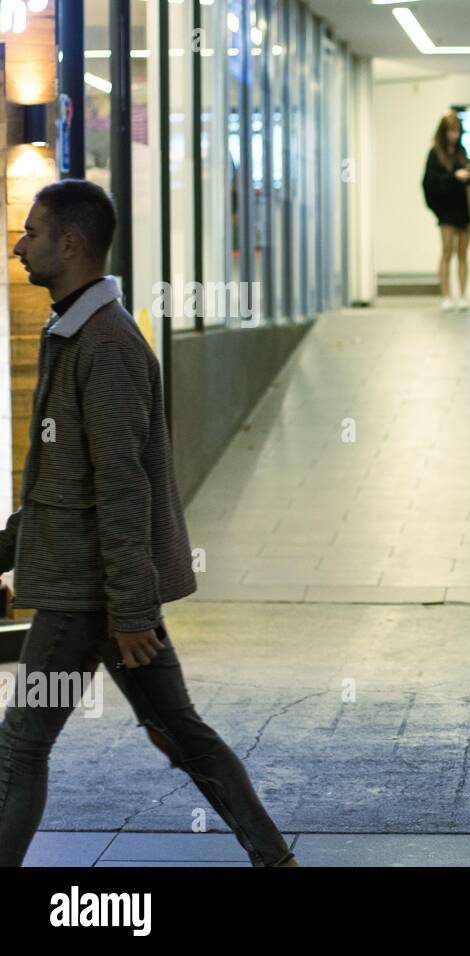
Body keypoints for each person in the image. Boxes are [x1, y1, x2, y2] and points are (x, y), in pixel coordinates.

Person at [1, 180, 296, 867]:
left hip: (92, 594)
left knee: (20, 746)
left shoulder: (104, 345)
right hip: (99, 586)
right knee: (180, 732)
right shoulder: (73, 329)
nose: (19, 246)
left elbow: (123, 489)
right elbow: (60, 481)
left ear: (70, 244)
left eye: (32, 233)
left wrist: (130, 610)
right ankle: (276, 859)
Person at [422, 110, 470, 312]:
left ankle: (463, 295)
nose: (454, 135)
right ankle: (445, 296)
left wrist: (469, 174)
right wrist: (454, 177)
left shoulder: (462, 152)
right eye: (450, 131)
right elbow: (430, 183)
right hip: (446, 212)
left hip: (464, 212)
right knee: (447, 252)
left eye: (457, 131)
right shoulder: (435, 155)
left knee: (463, 253)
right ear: (443, 132)